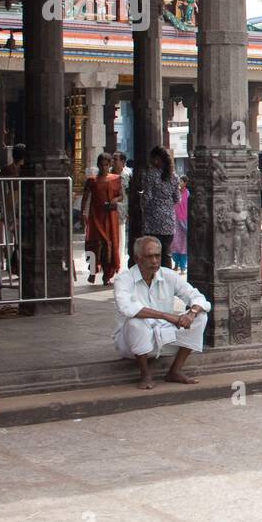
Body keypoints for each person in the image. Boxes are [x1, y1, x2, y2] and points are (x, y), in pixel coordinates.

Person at [113, 235, 209, 390]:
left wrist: (191, 313)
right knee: (135, 321)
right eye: (149, 257)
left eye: (157, 256)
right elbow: (127, 308)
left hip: (163, 336)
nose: (155, 261)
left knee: (201, 316)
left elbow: (197, 297)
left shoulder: (168, 275)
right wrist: (167, 316)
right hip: (131, 344)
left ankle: (175, 371)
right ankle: (145, 374)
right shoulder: (124, 279)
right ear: (138, 259)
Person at [80, 152, 124, 285]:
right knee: (95, 245)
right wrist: (83, 214)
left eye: (106, 164)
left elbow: (121, 196)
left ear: (109, 165)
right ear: (98, 165)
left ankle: (107, 276)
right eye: (102, 164)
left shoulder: (116, 179)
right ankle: (92, 272)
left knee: (108, 246)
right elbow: (85, 197)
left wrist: (114, 200)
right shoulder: (92, 180)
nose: (104, 167)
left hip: (110, 217)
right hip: (95, 217)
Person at [139, 146, 181, 268]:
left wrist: (142, 206)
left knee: (153, 253)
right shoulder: (174, 177)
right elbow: (177, 199)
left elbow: (147, 197)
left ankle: (155, 278)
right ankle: (167, 279)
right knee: (166, 252)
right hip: (169, 220)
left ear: (157, 159)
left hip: (153, 220)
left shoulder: (150, 175)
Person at [172, 175, 190, 273]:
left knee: (183, 245)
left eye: (182, 181)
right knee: (175, 243)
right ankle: (176, 264)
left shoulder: (188, 194)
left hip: (184, 221)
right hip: (176, 221)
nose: (180, 183)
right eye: (180, 181)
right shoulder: (177, 193)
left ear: (186, 183)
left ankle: (183, 266)